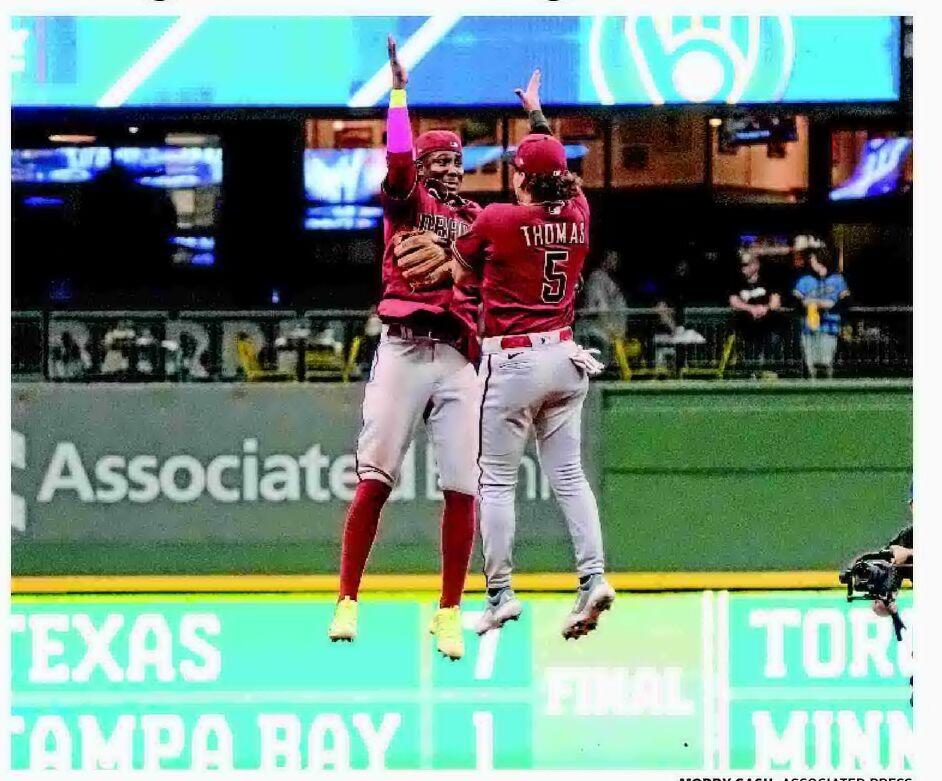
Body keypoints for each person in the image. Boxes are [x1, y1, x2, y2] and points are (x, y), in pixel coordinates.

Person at [328, 36, 482, 660]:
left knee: (462, 486)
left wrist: (460, 268)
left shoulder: (478, 219)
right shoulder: (407, 199)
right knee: (375, 478)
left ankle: (449, 610)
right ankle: (346, 597)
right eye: (435, 159)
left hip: (455, 357)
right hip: (402, 349)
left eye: (454, 160)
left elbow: (497, 274)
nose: (446, 168)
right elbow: (396, 160)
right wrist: (398, 95)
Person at [451, 70, 615, 640]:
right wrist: (538, 117)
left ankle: (500, 595)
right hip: (566, 358)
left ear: (520, 176)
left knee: (495, 480)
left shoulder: (497, 219)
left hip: (514, 360)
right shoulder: (580, 214)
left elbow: (459, 273)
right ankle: (592, 577)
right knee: (568, 475)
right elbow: (560, 179)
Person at [792, 243, 850, 379]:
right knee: (810, 364)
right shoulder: (805, 280)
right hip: (809, 327)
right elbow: (795, 301)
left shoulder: (837, 280)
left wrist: (828, 304)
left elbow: (846, 302)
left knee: (825, 362)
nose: (810, 261)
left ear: (820, 260)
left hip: (829, 327)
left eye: (812, 259)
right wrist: (805, 303)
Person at [728, 250, 782, 375]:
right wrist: (750, 308)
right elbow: (734, 301)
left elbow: (775, 302)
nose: (743, 268)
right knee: (749, 364)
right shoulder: (736, 282)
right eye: (741, 265)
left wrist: (765, 308)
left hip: (768, 329)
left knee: (768, 364)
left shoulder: (768, 280)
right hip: (747, 331)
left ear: (756, 264)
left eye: (746, 264)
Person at [582, 250, 627, 366]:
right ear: (604, 260)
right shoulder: (597, 278)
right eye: (612, 259)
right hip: (600, 333)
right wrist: (609, 327)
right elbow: (600, 305)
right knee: (600, 370)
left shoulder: (608, 279)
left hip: (611, 334)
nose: (615, 262)